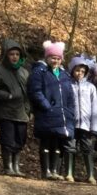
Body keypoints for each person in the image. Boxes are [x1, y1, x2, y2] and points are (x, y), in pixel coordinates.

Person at [27, 40, 76, 180]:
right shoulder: (40, 72)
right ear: (47, 58)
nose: (55, 61)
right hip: (47, 114)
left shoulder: (65, 75)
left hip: (62, 115)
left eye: (58, 58)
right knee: (46, 142)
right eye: (52, 58)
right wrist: (46, 106)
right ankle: (46, 171)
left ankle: (54, 170)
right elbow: (35, 91)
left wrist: (70, 111)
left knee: (57, 144)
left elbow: (70, 96)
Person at [0, 39, 31, 176]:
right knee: (8, 139)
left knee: (20, 139)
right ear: (6, 55)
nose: (15, 57)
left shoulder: (24, 72)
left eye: (17, 54)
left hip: (23, 111)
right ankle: (8, 167)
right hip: (7, 111)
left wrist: (29, 109)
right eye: (12, 54)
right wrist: (7, 96)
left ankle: (16, 166)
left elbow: (28, 93)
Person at [68, 55, 97, 184]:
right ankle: (69, 173)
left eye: (82, 71)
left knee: (87, 149)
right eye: (77, 70)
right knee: (71, 147)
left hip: (86, 125)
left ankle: (90, 175)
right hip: (71, 122)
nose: (80, 73)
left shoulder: (90, 87)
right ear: (72, 70)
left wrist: (95, 127)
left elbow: (95, 108)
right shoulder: (68, 85)